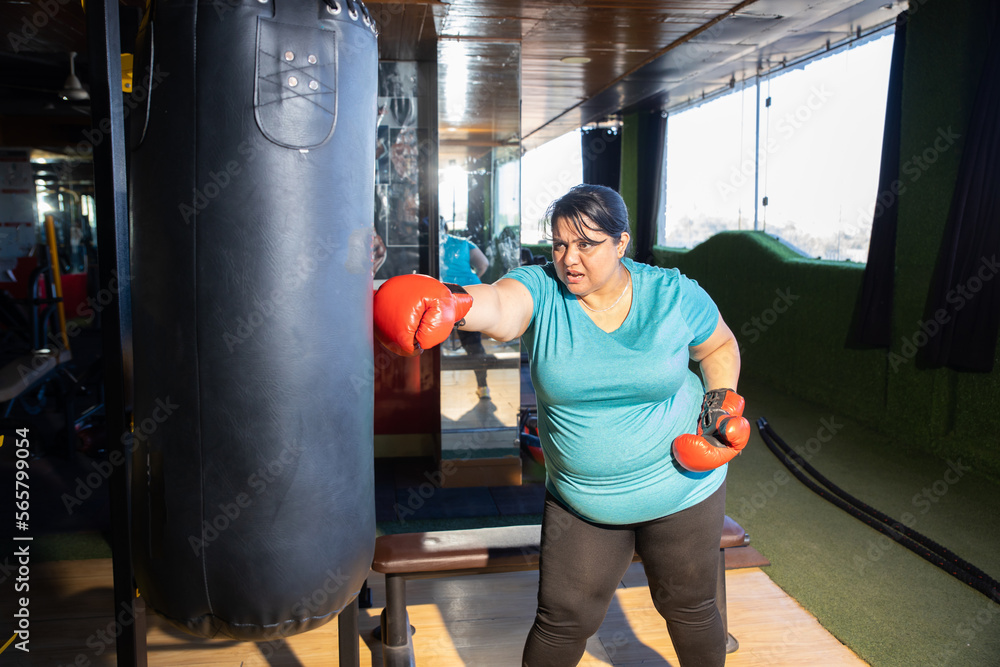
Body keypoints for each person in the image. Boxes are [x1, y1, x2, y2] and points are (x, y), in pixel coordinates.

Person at [372, 184, 749, 666]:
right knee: (562, 620)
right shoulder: (543, 288)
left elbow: (718, 346)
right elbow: (502, 307)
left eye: (587, 244)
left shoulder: (672, 293)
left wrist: (719, 404)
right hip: (582, 499)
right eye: (559, 244)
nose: (570, 259)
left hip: (680, 489)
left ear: (621, 243)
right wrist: (454, 302)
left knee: (688, 607)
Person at [439, 220, 492, 398]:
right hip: (469, 295)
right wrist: (470, 281)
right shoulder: (463, 243)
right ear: (446, 228)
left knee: (430, 341)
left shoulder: (430, 244)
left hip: (442, 296)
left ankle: (429, 387)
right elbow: (483, 263)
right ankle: (483, 386)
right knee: (474, 344)